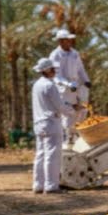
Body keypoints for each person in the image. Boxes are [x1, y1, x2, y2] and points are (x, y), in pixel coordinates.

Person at [31, 58, 74, 194]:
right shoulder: (50, 85)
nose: (55, 71)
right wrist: (72, 110)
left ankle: (38, 184)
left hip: (39, 123)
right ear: (47, 70)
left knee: (40, 155)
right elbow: (59, 105)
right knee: (52, 155)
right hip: (51, 122)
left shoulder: (37, 85)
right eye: (53, 69)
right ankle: (51, 186)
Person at [49, 29, 90, 148]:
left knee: (83, 109)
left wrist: (86, 80)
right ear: (61, 41)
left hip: (77, 84)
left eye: (69, 40)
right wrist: (68, 85)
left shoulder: (74, 53)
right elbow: (56, 75)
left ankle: (78, 135)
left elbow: (80, 68)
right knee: (68, 112)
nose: (69, 42)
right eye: (66, 40)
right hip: (64, 88)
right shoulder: (55, 55)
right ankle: (68, 139)